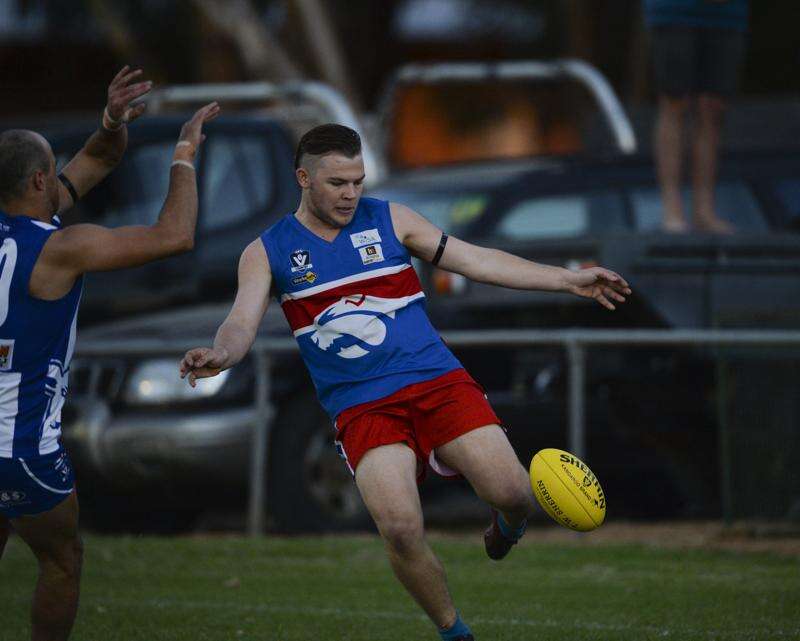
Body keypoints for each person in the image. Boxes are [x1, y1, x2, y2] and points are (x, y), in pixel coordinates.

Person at [180, 124, 631, 641]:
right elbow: (241, 322)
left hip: (437, 382)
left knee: (512, 491)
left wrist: (567, 278)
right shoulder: (267, 251)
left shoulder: (392, 219)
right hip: (362, 406)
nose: (351, 194)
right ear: (303, 178)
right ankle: (454, 632)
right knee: (399, 527)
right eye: (337, 183)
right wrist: (221, 353)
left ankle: (507, 524)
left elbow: (476, 260)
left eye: (358, 181)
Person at [0, 65, 219, 641]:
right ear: (41, 181)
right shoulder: (60, 246)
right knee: (63, 559)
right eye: (55, 171)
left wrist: (111, 121)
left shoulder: (33, 222)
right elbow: (174, 235)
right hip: (18, 446)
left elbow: (96, 160)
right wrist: (183, 156)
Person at [644, 0, 749, 233]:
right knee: (674, 101)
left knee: (712, 108)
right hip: (674, 11)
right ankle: (672, 211)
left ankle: (704, 212)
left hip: (727, 12)